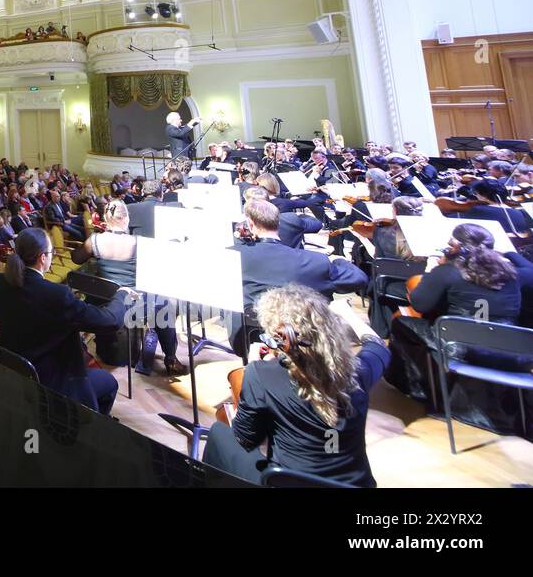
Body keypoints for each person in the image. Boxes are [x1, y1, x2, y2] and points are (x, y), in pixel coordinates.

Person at [203, 285, 389, 487]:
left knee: (218, 434)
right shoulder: (357, 372)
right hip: (356, 485)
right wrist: (347, 314)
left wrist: (252, 366)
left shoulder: (261, 375)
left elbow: (246, 438)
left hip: (286, 483)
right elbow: (378, 346)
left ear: (280, 337)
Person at [384, 223, 525, 434]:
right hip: (508, 351)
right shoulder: (510, 273)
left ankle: (421, 389)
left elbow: (420, 304)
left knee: (402, 323)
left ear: (456, 246)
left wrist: (432, 272)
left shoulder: (449, 271)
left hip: (462, 347)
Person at [0, 228, 125, 414]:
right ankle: (88, 429)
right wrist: (121, 296)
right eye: (51, 253)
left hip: (16, 373)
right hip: (54, 382)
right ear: (43, 258)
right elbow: (110, 321)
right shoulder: (57, 295)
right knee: (109, 383)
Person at [230, 199, 367, 354]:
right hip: (308, 341)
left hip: (252, 338)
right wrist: (338, 260)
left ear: (250, 224)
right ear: (278, 222)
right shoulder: (317, 261)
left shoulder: (233, 255)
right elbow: (359, 279)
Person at [85, 200, 184, 376]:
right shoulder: (137, 242)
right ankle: (170, 358)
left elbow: (76, 258)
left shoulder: (94, 241)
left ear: (106, 220)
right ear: (126, 219)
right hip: (131, 305)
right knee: (165, 304)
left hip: (103, 303)